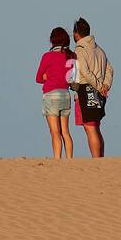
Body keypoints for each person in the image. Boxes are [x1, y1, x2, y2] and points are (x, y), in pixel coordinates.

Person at [69, 18, 113, 158]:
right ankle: (100, 157)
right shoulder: (99, 49)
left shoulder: (80, 49)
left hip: (85, 91)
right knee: (96, 127)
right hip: (99, 93)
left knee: (90, 127)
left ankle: (96, 160)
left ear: (76, 34)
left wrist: (101, 86)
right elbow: (110, 69)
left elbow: (84, 71)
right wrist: (105, 85)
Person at [35, 27, 76, 159]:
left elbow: (38, 78)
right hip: (65, 94)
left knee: (55, 132)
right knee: (65, 131)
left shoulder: (47, 56)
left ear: (52, 41)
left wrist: (48, 76)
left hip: (51, 95)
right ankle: (69, 159)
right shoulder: (70, 56)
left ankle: (57, 160)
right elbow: (72, 79)